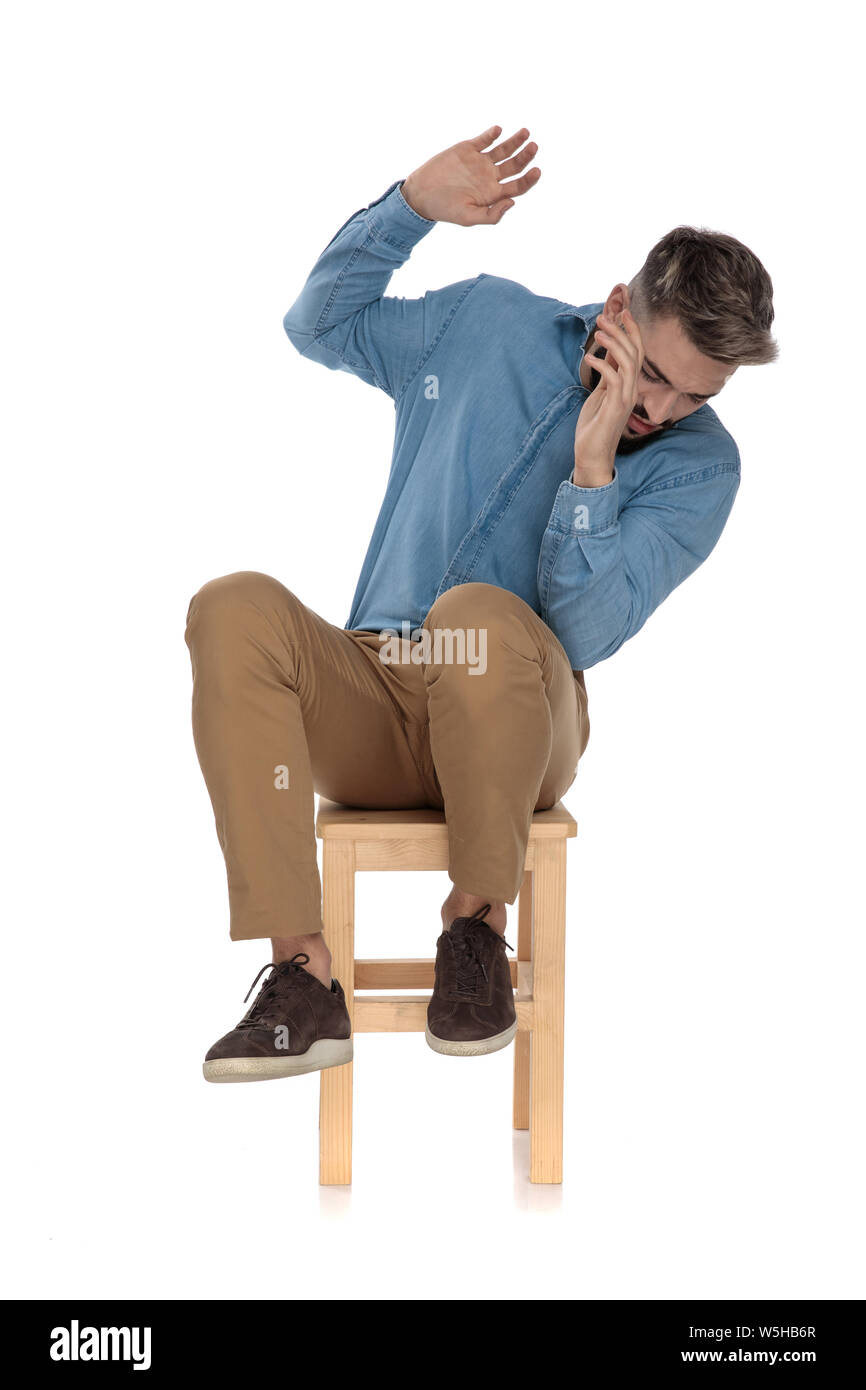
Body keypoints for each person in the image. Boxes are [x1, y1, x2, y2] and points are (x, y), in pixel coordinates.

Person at [184, 125, 777, 1081]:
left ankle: (474, 932)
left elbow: (587, 631)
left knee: (476, 615)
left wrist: (593, 471)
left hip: (524, 722)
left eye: (692, 398)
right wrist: (408, 208)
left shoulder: (702, 467)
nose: (658, 413)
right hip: (379, 691)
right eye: (655, 376)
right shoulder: (486, 322)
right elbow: (317, 327)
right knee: (232, 607)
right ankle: (301, 976)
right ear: (620, 309)